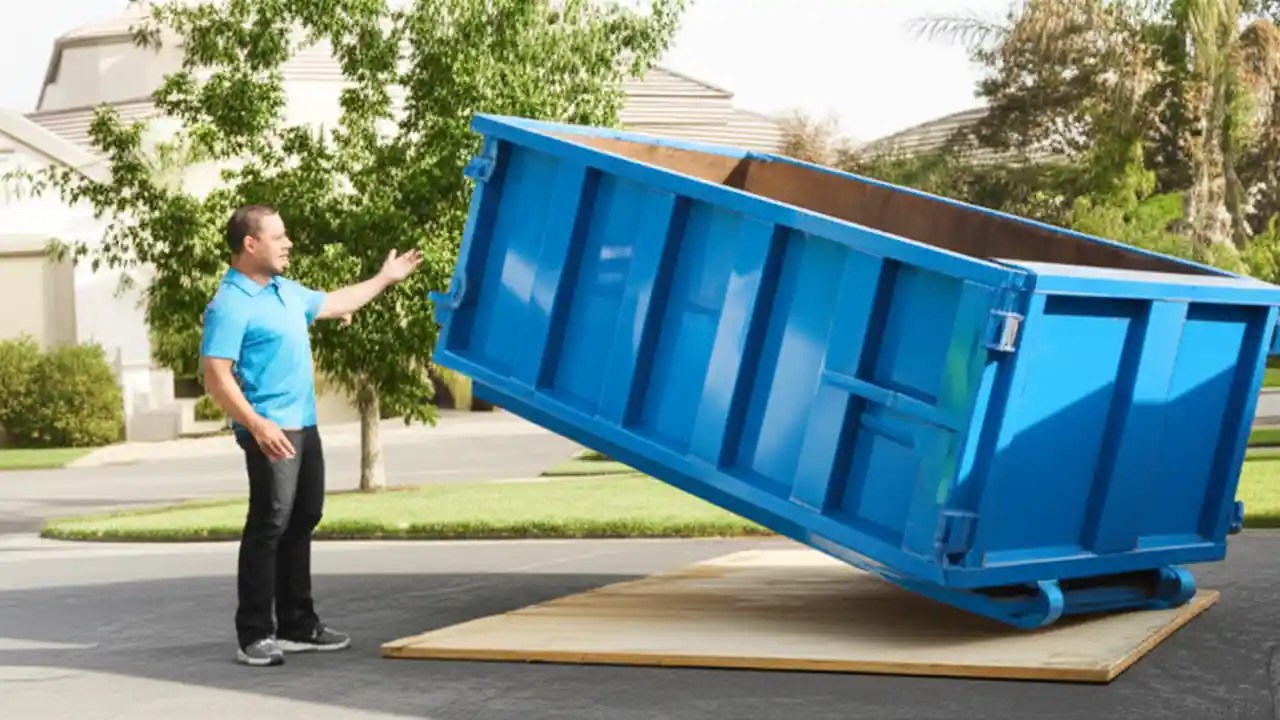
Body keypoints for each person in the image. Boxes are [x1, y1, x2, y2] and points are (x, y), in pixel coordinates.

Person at [200, 204, 423, 667]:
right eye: (278, 237)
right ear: (250, 244)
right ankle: (255, 634)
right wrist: (257, 425)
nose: (288, 244)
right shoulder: (231, 303)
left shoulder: (284, 291)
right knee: (269, 524)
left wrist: (384, 278)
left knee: (304, 517)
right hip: (269, 429)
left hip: (303, 422)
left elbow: (337, 301)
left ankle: (298, 625)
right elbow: (215, 376)